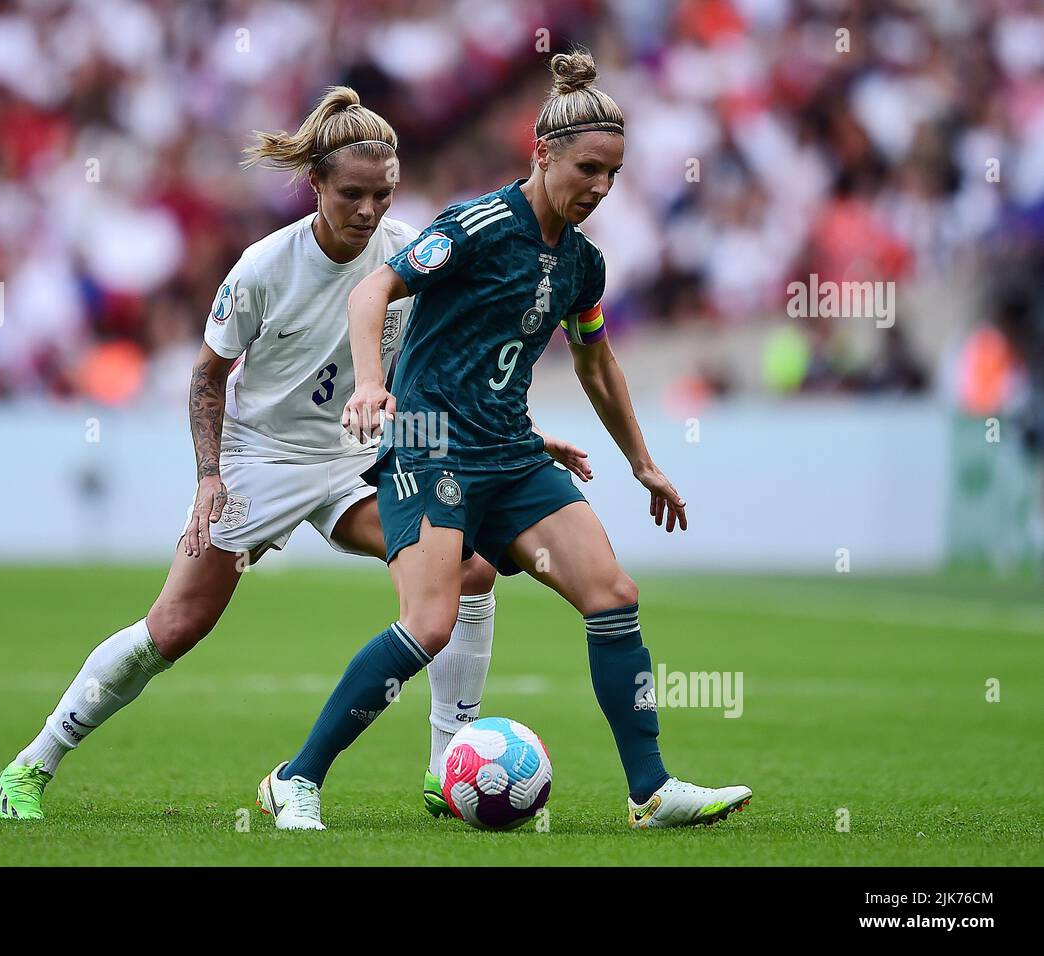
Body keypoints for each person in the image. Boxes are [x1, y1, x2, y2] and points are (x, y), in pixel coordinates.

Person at [0, 87, 591, 820]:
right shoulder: (263, 267)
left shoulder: (412, 250)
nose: (368, 211)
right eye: (352, 194)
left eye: (382, 193)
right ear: (316, 185)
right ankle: (31, 764)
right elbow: (208, 375)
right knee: (175, 629)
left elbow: (448, 356)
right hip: (260, 455)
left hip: (358, 458)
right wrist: (211, 478)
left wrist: (517, 438)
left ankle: (445, 765)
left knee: (469, 569)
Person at [258, 53, 751, 830]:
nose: (599, 188)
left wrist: (643, 462)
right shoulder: (479, 226)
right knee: (429, 624)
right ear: (543, 152)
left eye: (614, 175)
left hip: (511, 454)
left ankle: (649, 791)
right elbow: (373, 288)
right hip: (430, 449)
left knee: (612, 595)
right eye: (588, 168)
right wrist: (367, 383)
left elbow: (595, 359)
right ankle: (296, 778)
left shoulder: (582, 265)